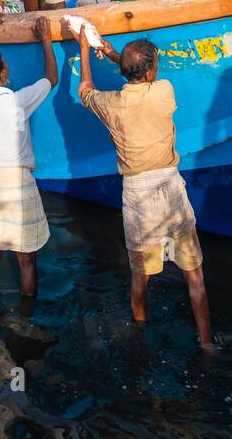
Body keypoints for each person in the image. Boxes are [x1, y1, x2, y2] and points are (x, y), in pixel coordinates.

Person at [77, 28, 213, 347]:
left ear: (126, 71)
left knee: (141, 276)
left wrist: (84, 49)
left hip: (138, 196)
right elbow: (144, 75)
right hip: (171, 188)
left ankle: (139, 334)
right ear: (151, 71)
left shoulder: (110, 104)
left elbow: (85, 90)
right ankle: (206, 341)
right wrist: (115, 56)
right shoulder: (164, 91)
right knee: (194, 275)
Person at [0, 13, 57, 298]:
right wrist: (46, 39)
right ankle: (28, 312)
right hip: (18, 182)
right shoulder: (17, 100)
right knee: (26, 258)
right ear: (4, 76)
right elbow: (51, 78)